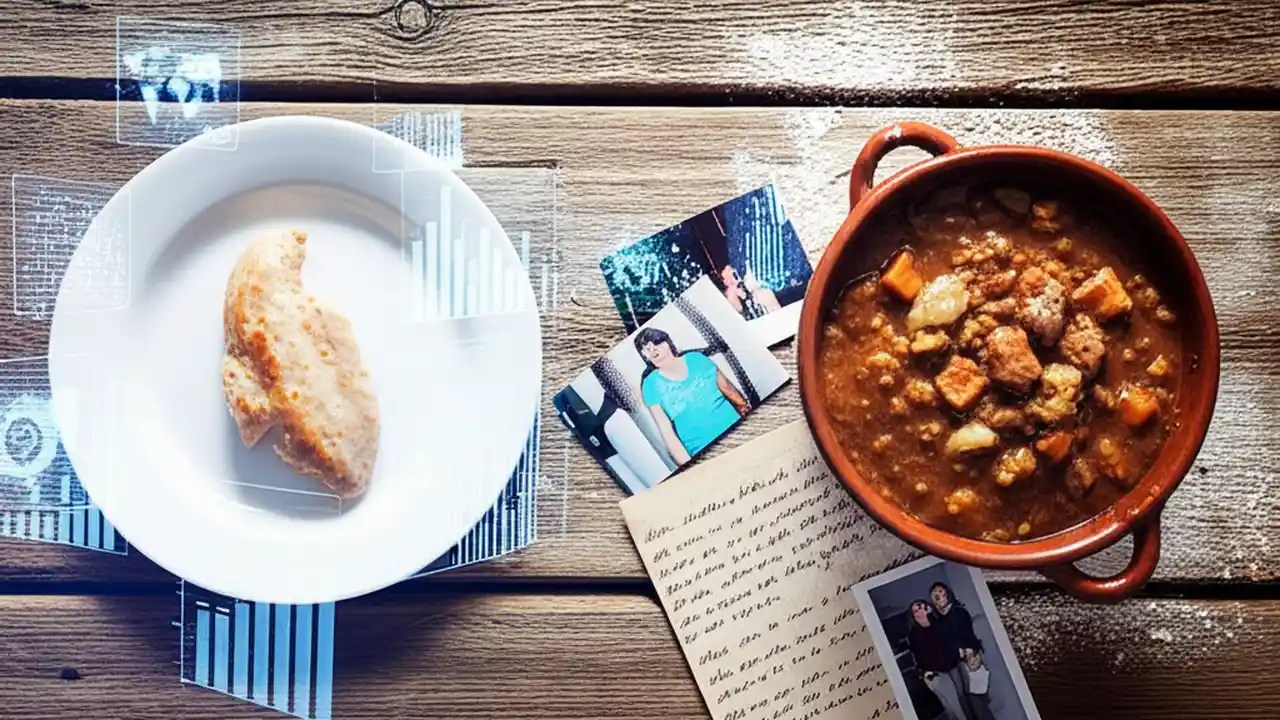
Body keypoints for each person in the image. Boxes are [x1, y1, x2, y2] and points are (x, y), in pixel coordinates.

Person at [634, 327, 749, 464]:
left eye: (656, 343)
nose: (652, 350)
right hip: (704, 452)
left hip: (737, 430)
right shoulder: (650, 385)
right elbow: (667, 432)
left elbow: (729, 390)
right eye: (646, 349)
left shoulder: (696, 359)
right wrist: (689, 465)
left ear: (667, 342)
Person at [931, 582, 993, 720]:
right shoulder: (938, 620)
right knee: (962, 696)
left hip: (968, 657)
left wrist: (969, 650)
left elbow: (968, 633)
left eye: (940, 591)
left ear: (947, 594)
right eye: (935, 594)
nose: (938, 595)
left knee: (976, 695)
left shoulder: (959, 611)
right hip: (952, 662)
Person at [906, 599, 969, 720]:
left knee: (962, 700)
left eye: (923, 605)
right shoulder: (914, 634)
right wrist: (926, 674)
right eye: (917, 608)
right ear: (914, 615)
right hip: (937, 674)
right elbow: (921, 657)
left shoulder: (938, 622)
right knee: (955, 707)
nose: (921, 608)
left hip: (953, 666)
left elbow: (949, 640)